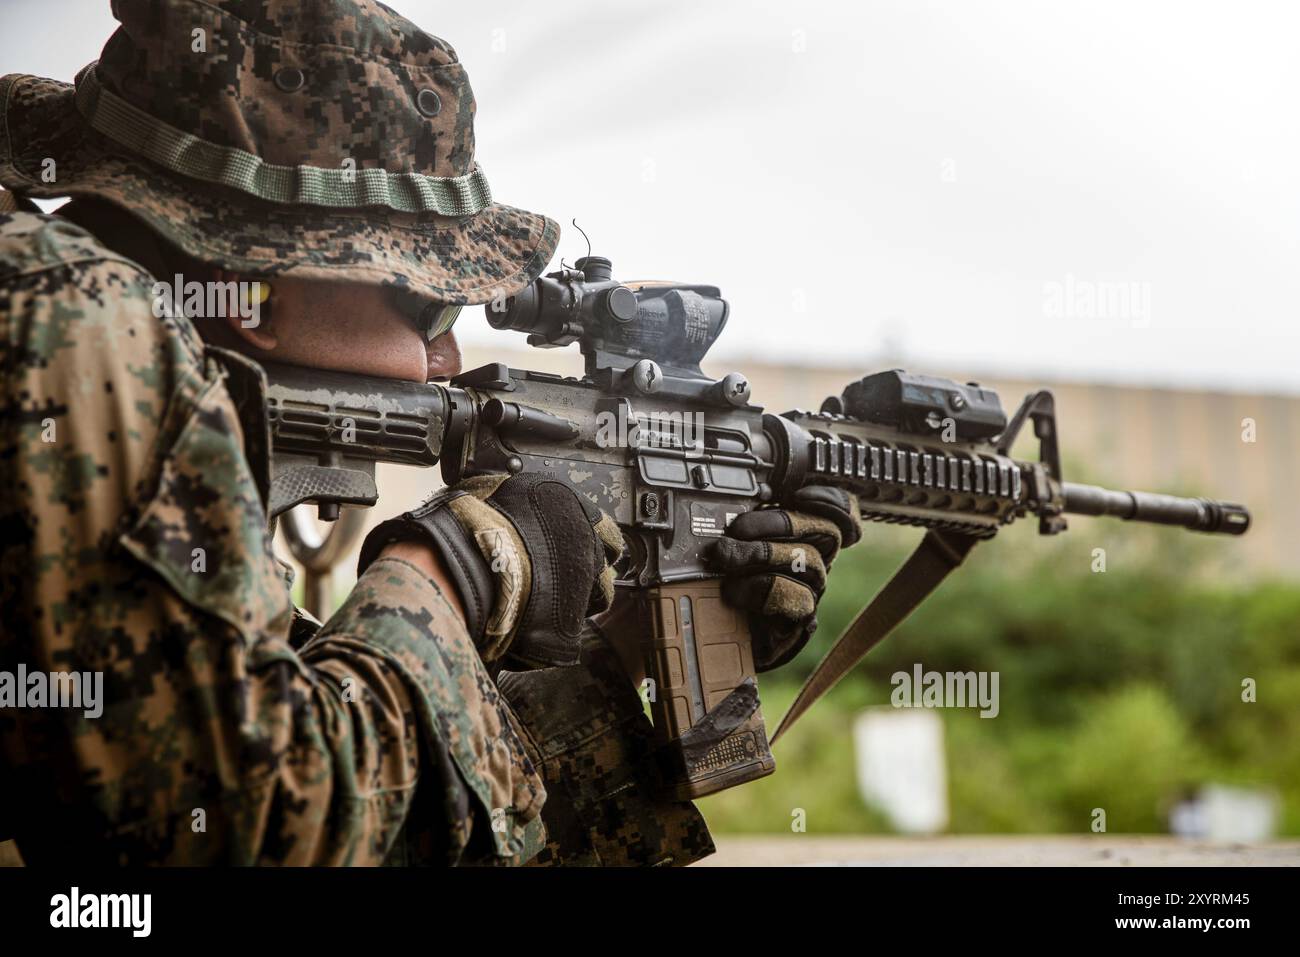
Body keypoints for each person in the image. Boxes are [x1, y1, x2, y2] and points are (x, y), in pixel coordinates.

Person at [0, 0, 859, 866]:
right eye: (429, 303)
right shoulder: (77, 319)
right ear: (248, 286)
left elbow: (367, 804)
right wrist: (460, 563)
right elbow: (243, 831)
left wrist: (630, 641)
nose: (446, 356)